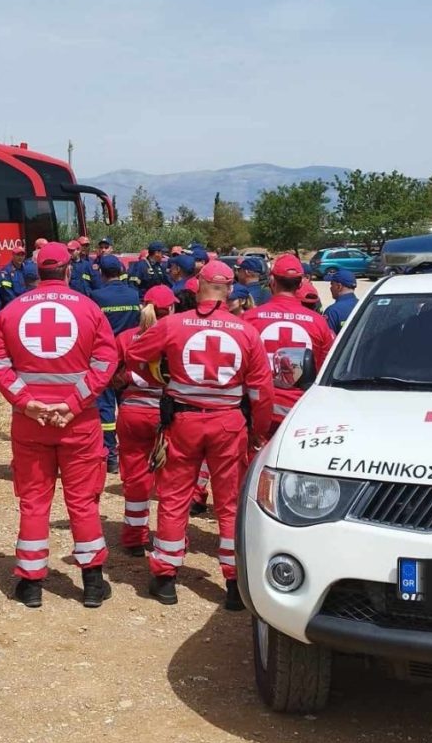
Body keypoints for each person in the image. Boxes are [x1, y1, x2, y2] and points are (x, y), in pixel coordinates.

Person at [126, 260, 273, 609]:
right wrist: (258, 432)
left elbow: (133, 355)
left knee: (174, 498)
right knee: (230, 505)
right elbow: (261, 391)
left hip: (183, 421)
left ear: (197, 286)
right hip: (228, 424)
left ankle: (165, 578)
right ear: (231, 290)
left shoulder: (172, 325)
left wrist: (163, 378)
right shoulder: (246, 330)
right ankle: (234, 585)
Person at [0, 241, 119, 609]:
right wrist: (73, 403)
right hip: (79, 423)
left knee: (33, 502)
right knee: (84, 503)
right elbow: (107, 361)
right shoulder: (89, 309)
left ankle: (30, 586)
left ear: (36, 271)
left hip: (31, 425)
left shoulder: (10, 311)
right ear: (68, 270)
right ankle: (92, 585)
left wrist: (27, 403)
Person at [116, 285, 177, 555]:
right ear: (171, 309)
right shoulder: (180, 334)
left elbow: (111, 377)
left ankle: (134, 538)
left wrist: (129, 380)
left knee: (135, 477)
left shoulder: (126, 337)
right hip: (169, 415)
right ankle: (169, 537)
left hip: (132, 411)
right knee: (173, 480)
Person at [245, 254, 335, 436]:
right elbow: (325, 366)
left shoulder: (250, 318)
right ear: (300, 284)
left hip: (258, 407)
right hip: (299, 410)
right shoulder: (319, 323)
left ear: (272, 281)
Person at [89, 255, 141, 477]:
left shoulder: (96, 296)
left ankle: (110, 456)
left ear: (101, 273)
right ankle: (131, 453)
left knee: (105, 410)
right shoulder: (133, 294)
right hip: (129, 358)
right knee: (128, 406)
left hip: (104, 359)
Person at [324, 268, 359, 334]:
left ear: (339, 286)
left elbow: (328, 340)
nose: (330, 288)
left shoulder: (332, 311)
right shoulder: (364, 306)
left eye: (332, 284)